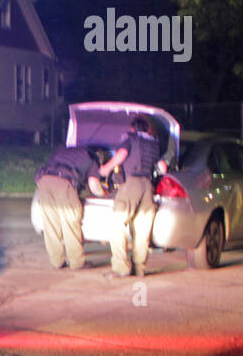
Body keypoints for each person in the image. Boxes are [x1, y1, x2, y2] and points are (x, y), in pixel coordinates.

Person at [98, 116, 167, 278]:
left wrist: (105, 170)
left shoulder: (130, 139)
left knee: (117, 223)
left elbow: (121, 154)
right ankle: (139, 268)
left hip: (132, 184)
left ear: (133, 128)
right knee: (142, 228)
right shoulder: (154, 144)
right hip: (148, 187)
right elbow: (163, 167)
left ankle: (120, 267)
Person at [34, 145, 102, 269]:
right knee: (70, 222)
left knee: (51, 224)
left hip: (44, 181)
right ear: (98, 153)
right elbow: (94, 186)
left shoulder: (62, 150)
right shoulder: (92, 159)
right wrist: (104, 194)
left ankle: (57, 261)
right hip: (64, 183)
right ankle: (77, 263)